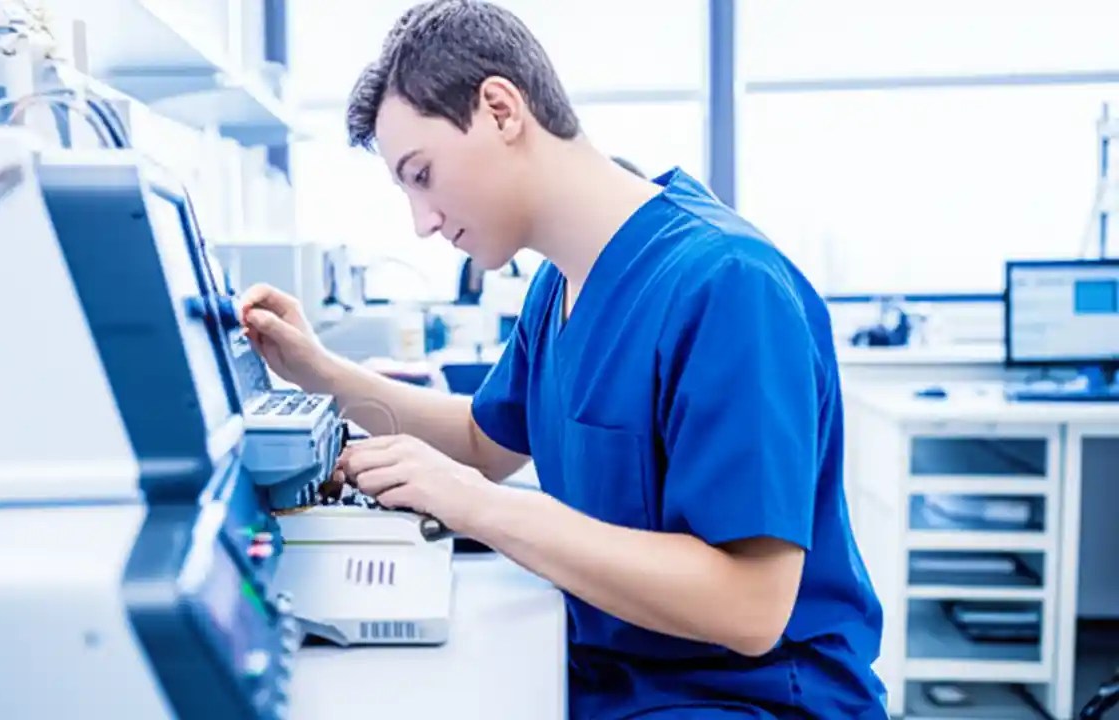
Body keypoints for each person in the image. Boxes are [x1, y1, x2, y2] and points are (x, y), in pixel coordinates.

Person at [238, 1, 887, 717]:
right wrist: (318, 371)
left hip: (743, 699)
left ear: (500, 109)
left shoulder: (729, 285)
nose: (422, 222)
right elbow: (484, 441)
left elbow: (749, 606)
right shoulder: (558, 286)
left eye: (421, 175)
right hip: (618, 680)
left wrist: (478, 506)